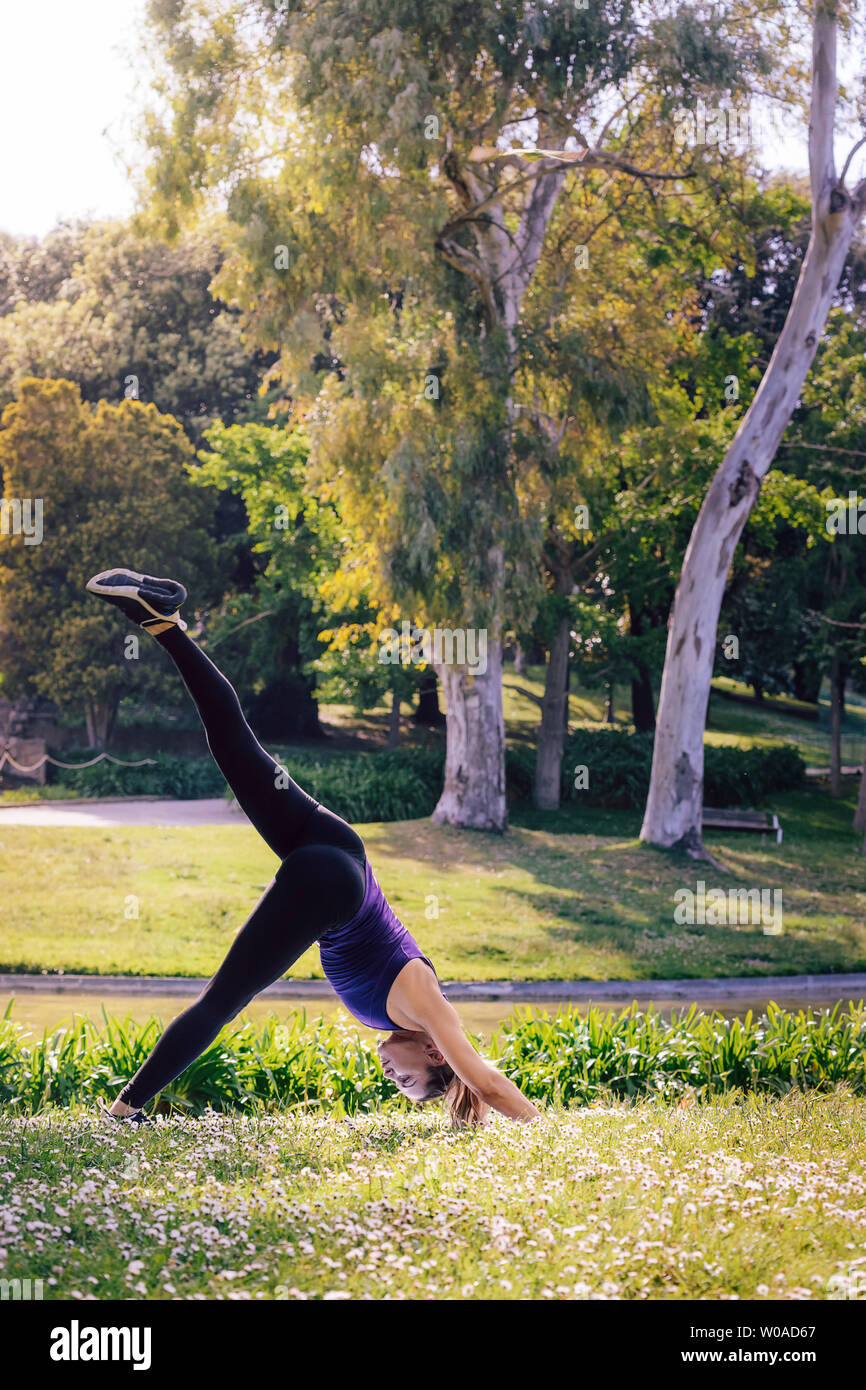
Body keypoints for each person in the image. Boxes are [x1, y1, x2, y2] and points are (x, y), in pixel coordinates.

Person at [86, 569, 541, 1130]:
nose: (389, 1076)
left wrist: (463, 1123)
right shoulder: (429, 1006)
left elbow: (470, 1093)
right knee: (222, 1001)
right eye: (405, 1080)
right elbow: (487, 1082)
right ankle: (123, 1111)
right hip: (332, 884)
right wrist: (550, 1137)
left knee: (233, 745)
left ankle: (164, 622)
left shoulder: (409, 1016)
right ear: (433, 1055)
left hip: (340, 853)